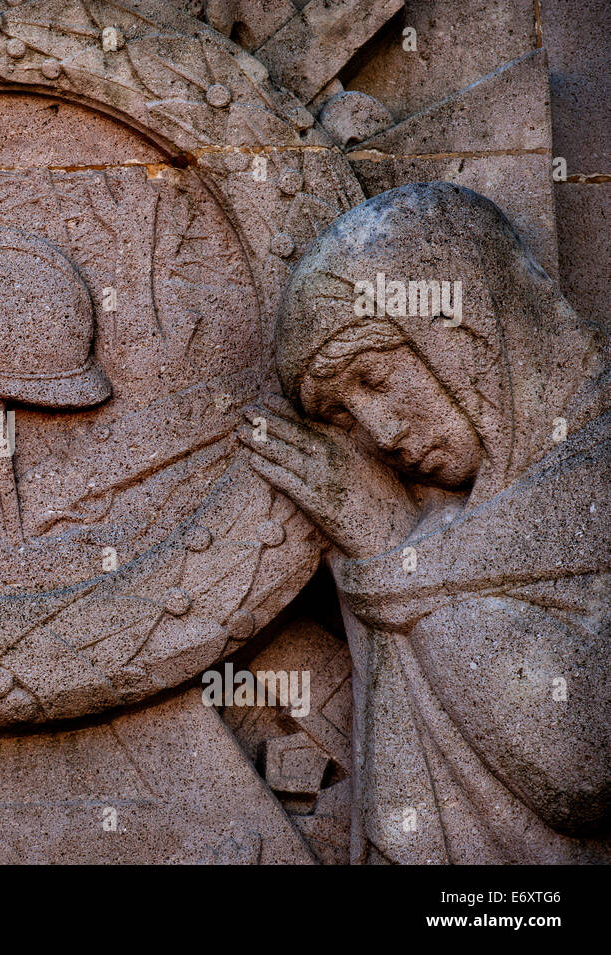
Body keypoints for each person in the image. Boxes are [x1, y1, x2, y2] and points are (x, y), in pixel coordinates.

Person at [238, 182, 611, 862]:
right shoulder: (444, 515)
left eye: (374, 377)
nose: (378, 434)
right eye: (342, 416)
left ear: (457, 323)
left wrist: (393, 552)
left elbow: (581, 765)